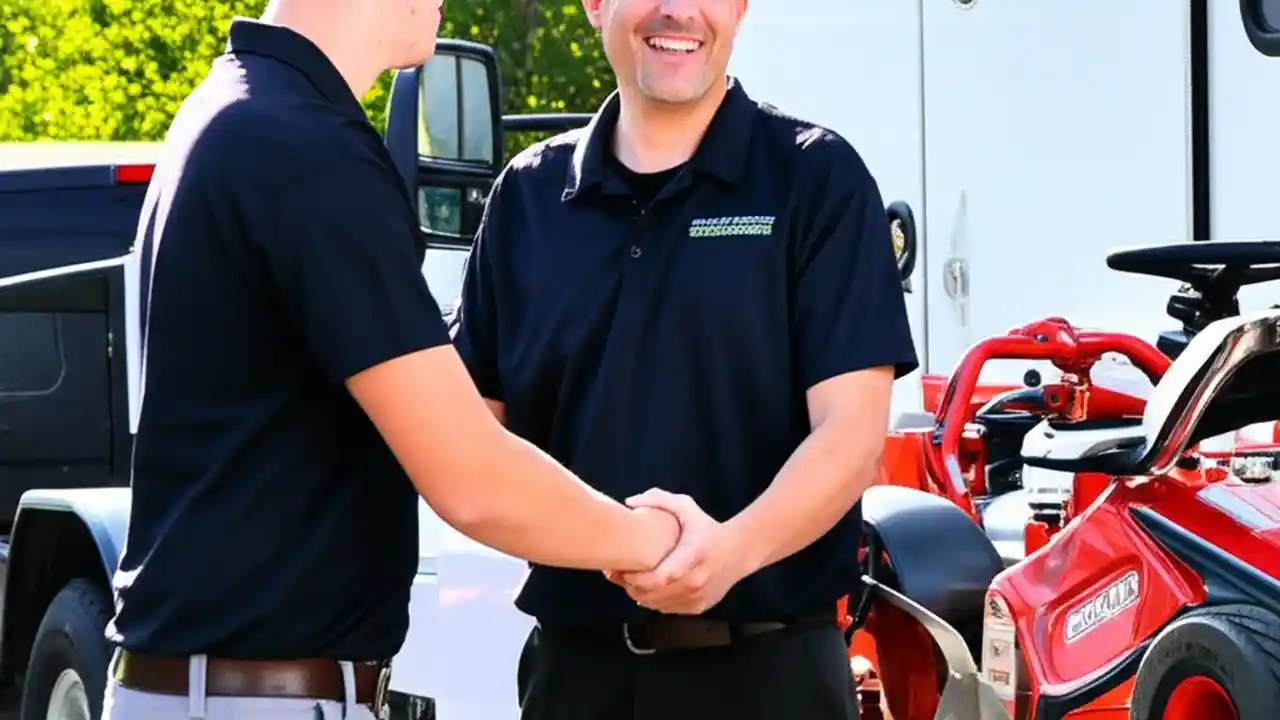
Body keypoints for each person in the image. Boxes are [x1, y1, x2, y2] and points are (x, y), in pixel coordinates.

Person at [101, 0, 684, 718]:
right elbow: (471, 480)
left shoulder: (235, 110)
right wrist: (658, 541)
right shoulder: (303, 147)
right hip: (257, 697)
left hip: (211, 688)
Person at [447, 0, 920, 718]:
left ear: (739, 7)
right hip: (575, 679)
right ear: (594, 5)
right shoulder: (529, 200)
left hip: (772, 676)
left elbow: (851, 437)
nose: (678, 11)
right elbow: (469, 448)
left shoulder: (814, 179)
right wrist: (625, 545)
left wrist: (730, 551)